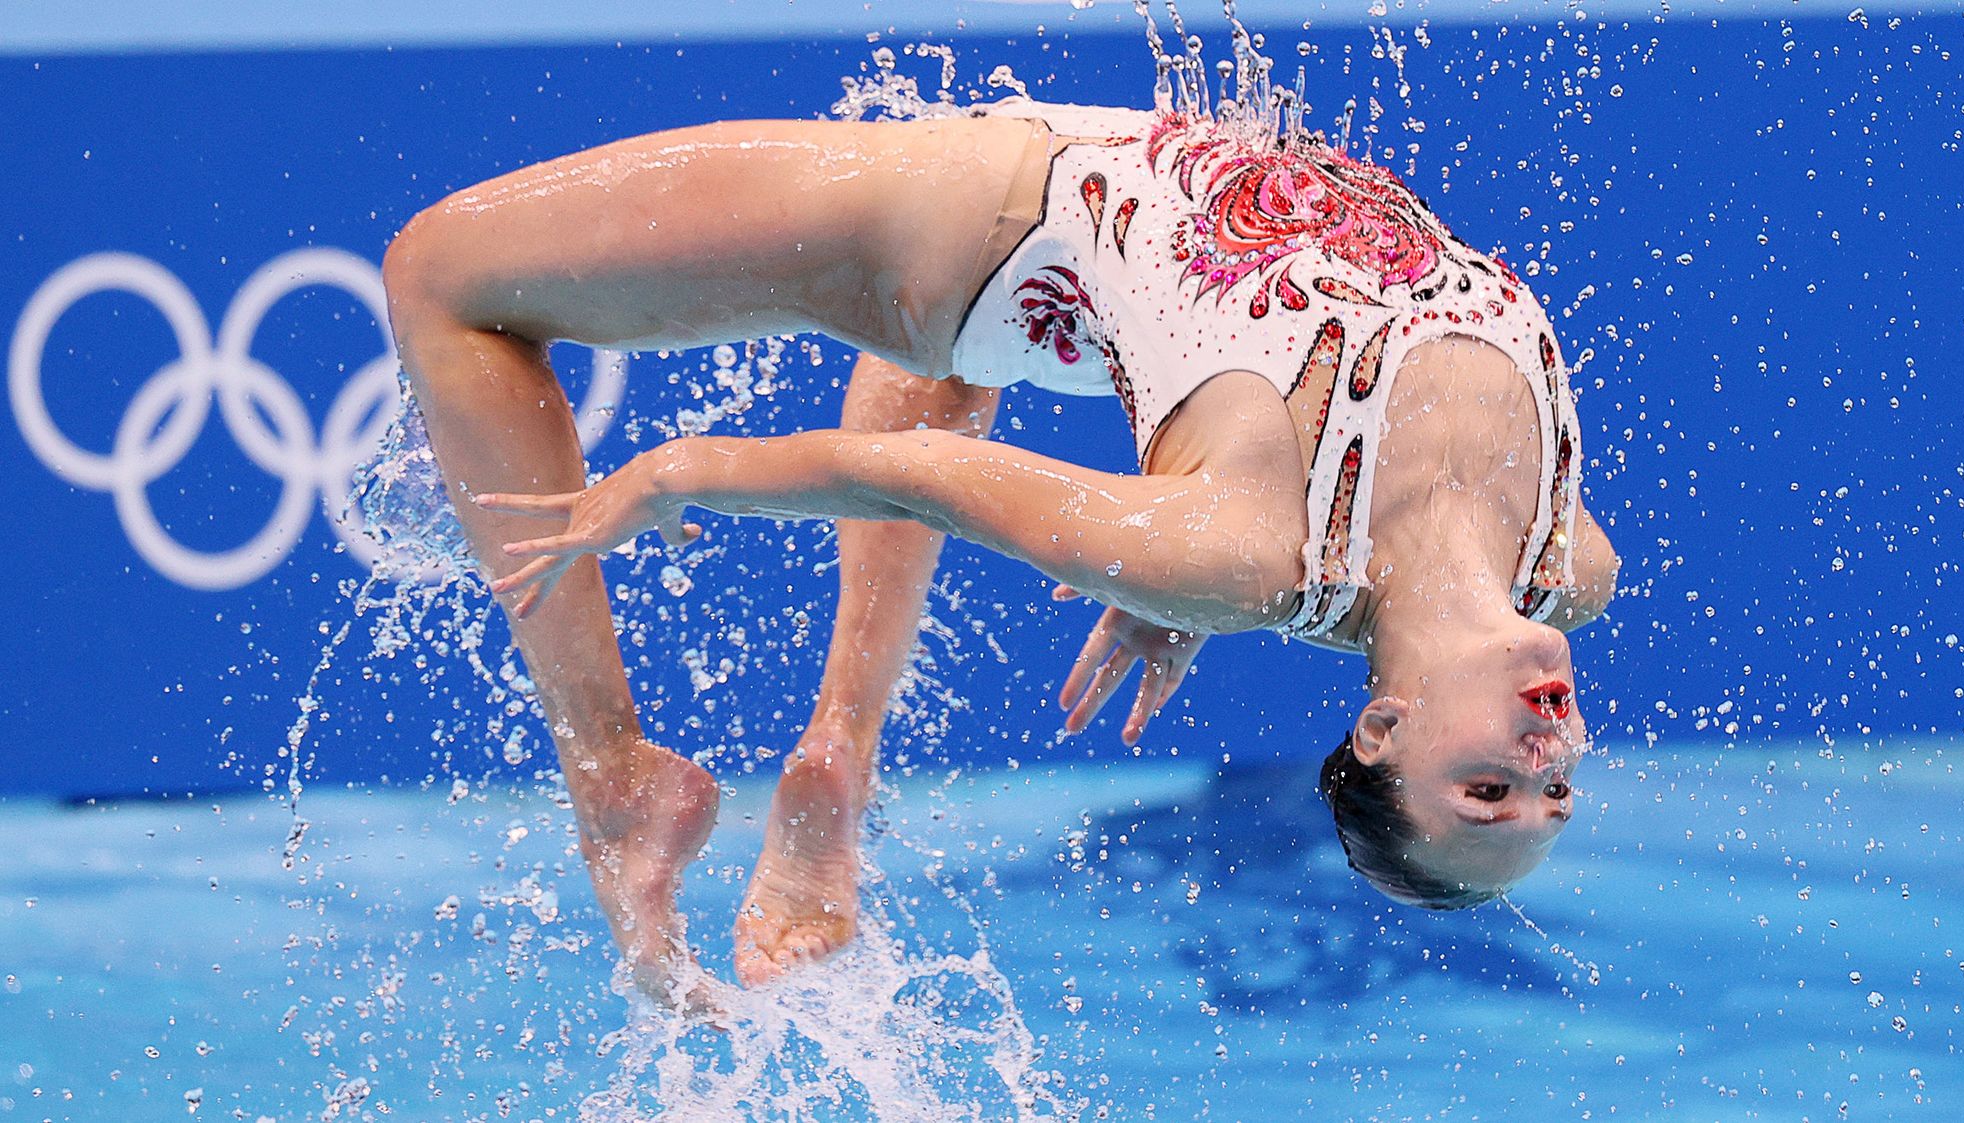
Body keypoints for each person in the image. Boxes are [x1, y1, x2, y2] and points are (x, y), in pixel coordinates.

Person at [378, 93, 1619, 1003]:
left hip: (980, 226)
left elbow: (919, 481)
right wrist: (1168, 570)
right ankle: (836, 764)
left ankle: (611, 781)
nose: (1538, 757)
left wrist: (686, 468)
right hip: (1073, 293)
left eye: (1487, 791)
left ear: (1385, 730)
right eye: (1551, 792)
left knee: (444, 274)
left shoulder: (1244, 552)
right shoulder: (1565, 557)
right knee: (961, 370)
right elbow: (1337, 523)